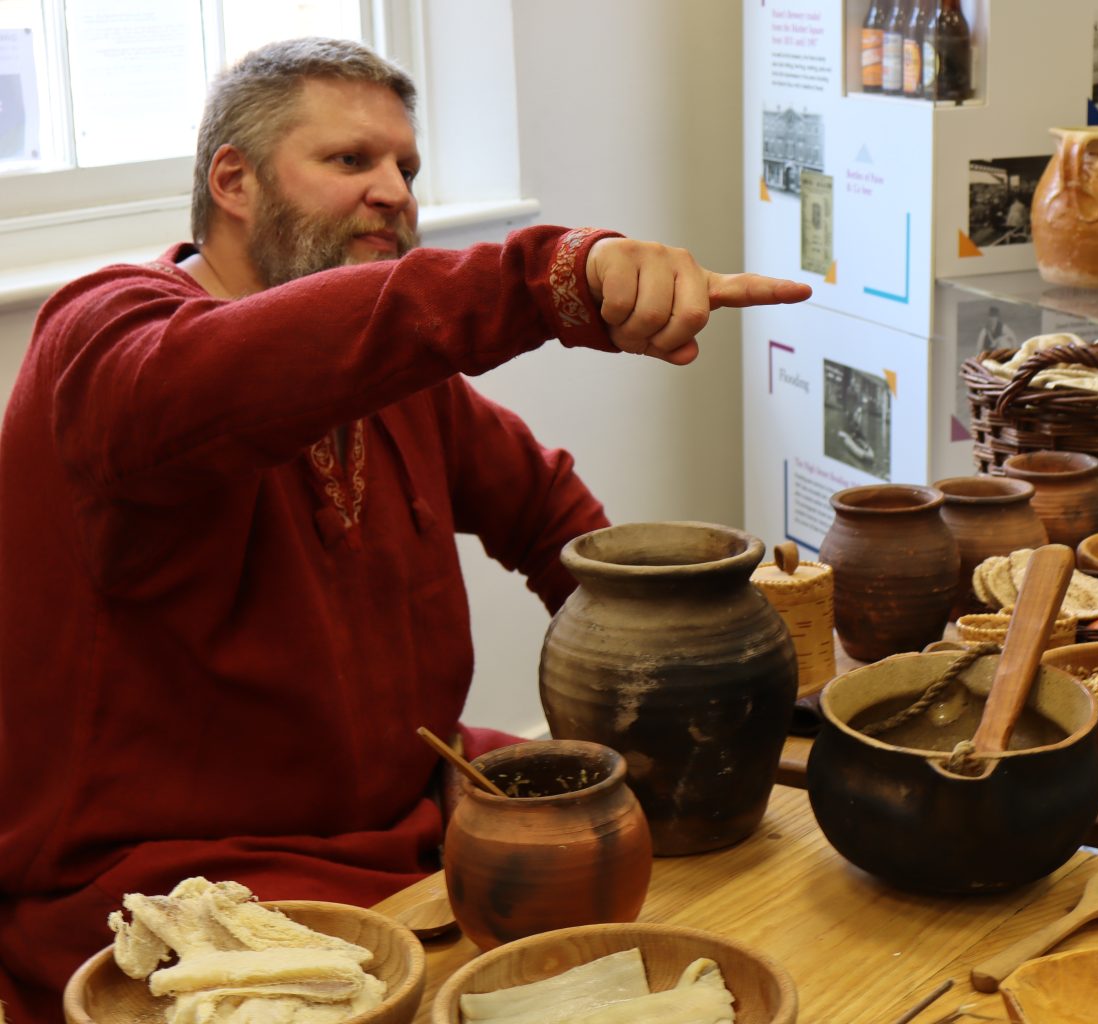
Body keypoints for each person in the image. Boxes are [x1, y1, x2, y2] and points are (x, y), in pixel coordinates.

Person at [0, 37, 810, 1022]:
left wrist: (659, 669)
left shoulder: (392, 382)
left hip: (417, 827)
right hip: (190, 912)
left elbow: (550, 516)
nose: (394, 191)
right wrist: (549, 278)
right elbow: (269, 362)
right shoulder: (107, 342)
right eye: (351, 161)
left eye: (407, 168)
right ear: (234, 181)